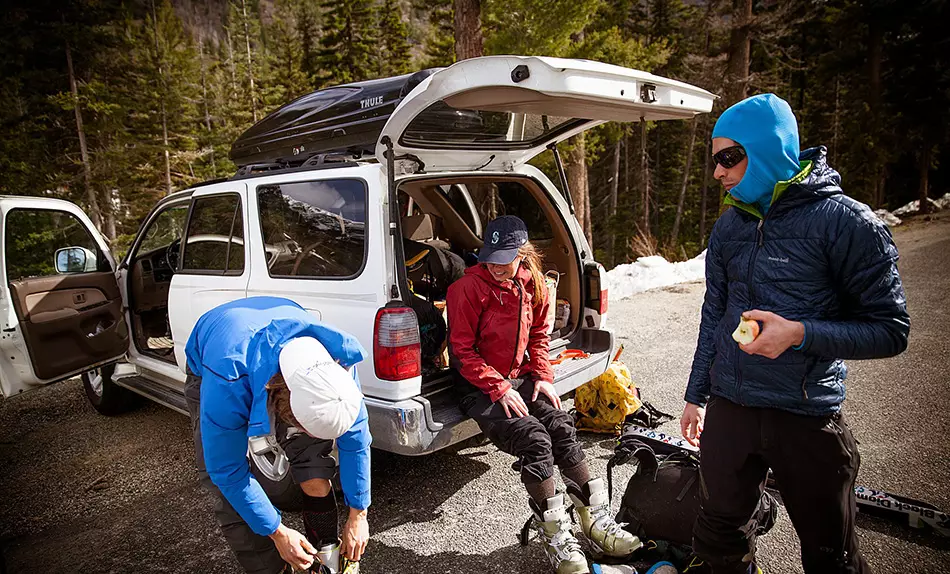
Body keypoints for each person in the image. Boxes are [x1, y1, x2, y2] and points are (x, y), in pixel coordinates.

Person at [680, 94, 910, 574]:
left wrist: (799, 334)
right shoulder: (729, 227)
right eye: (714, 160)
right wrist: (696, 395)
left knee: (831, 555)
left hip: (805, 417)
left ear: (767, 150)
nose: (718, 173)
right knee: (718, 539)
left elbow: (890, 330)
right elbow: (715, 314)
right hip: (731, 409)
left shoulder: (847, 223)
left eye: (729, 157)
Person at [447, 215, 640, 574]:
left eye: (504, 258)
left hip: (521, 377)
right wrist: (497, 385)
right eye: (490, 255)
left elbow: (539, 335)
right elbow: (461, 351)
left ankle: (594, 520)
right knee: (535, 439)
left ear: (523, 255)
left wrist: (544, 376)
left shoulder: (533, 283)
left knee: (562, 427)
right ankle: (555, 535)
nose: (494, 265)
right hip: (478, 385)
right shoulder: (466, 289)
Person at [184, 296, 371, 574]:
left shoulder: (339, 367)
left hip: (280, 337)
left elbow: (356, 443)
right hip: (220, 350)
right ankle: (274, 569)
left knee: (312, 457)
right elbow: (227, 470)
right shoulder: (227, 376)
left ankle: (324, 558)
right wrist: (278, 533)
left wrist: (359, 514)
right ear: (286, 403)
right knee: (222, 485)